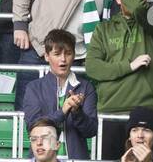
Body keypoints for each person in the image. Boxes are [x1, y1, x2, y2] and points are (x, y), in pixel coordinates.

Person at [85, 0, 153, 120]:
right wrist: (129, 66)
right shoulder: (104, 29)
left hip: (148, 110)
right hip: (109, 111)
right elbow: (92, 68)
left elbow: (137, 7)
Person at [14, 12, 99, 154]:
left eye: (68, 53)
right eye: (57, 54)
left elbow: (91, 131)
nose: (63, 59)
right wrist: (63, 111)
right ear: (46, 56)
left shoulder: (86, 87)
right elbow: (33, 128)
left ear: (74, 55)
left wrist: (77, 113)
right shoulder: (34, 87)